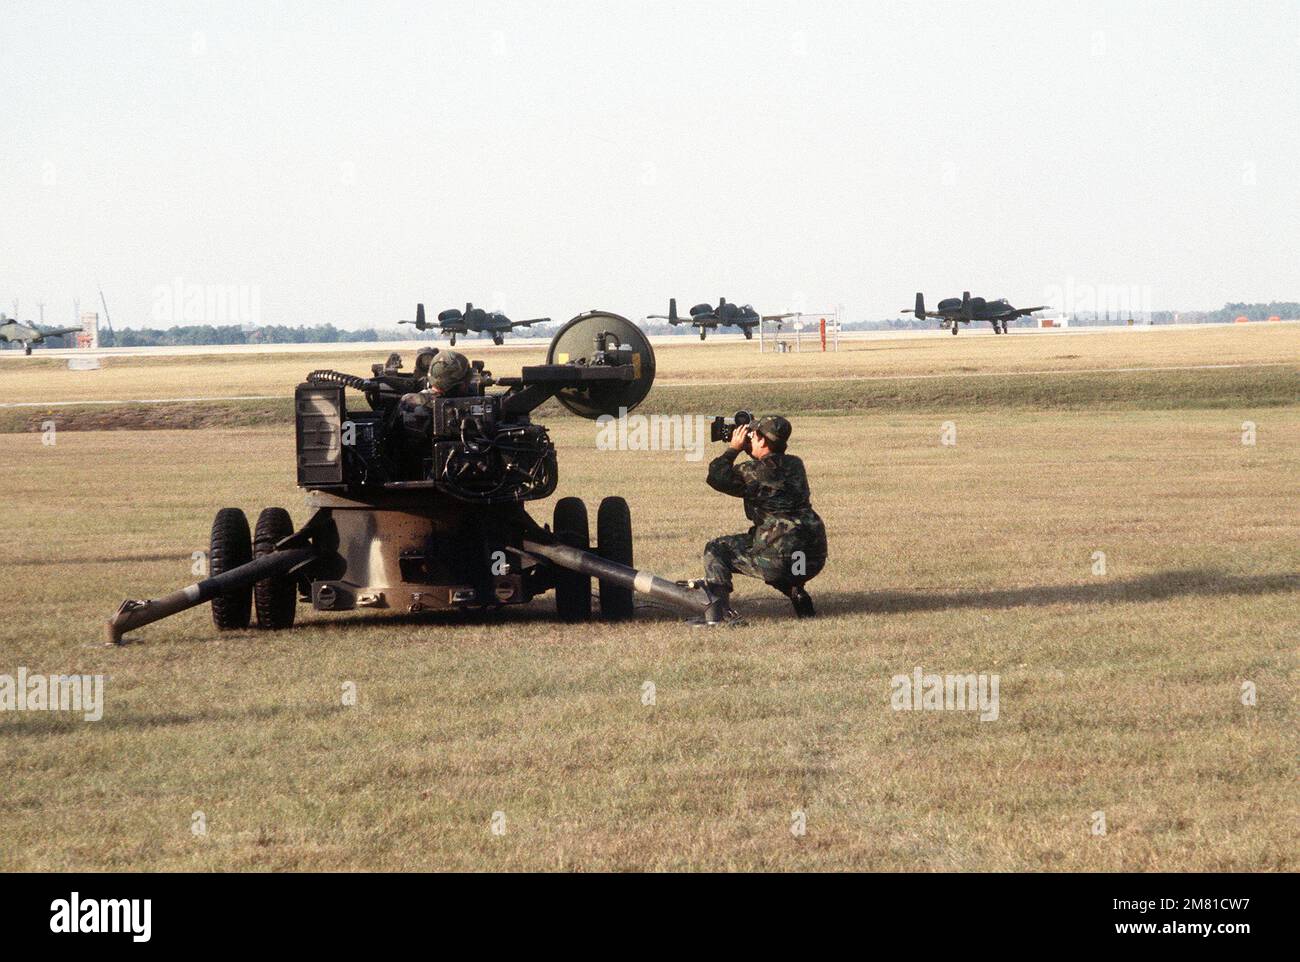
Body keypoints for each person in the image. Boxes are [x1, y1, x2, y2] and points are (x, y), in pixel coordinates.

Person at [701, 415, 827, 622]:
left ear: (760, 440)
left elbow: (716, 476)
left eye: (753, 436)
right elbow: (771, 468)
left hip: (780, 556)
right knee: (779, 556)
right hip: (811, 557)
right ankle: (796, 591)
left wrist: (734, 448)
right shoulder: (796, 465)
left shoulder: (752, 471)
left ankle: (719, 611)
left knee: (716, 549)